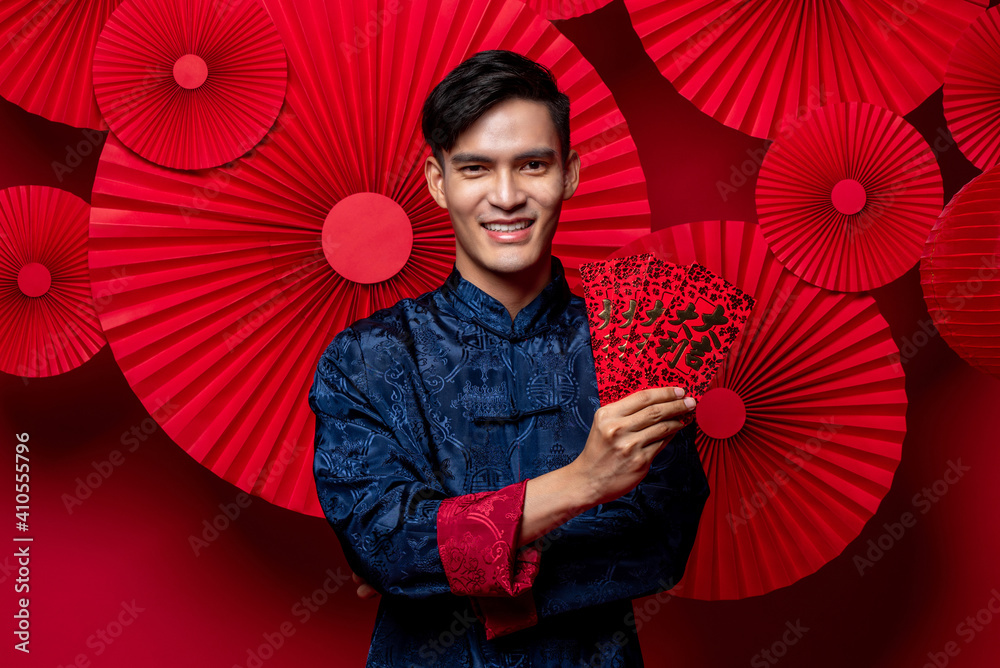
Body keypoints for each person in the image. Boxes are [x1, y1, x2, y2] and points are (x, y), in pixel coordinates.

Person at [308, 49, 709, 667]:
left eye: (531, 165)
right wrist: (584, 484)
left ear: (568, 174)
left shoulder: (636, 334)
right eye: (475, 168)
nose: (506, 196)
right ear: (438, 181)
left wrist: (441, 558)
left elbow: (660, 540)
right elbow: (381, 544)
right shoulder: (366, 358)